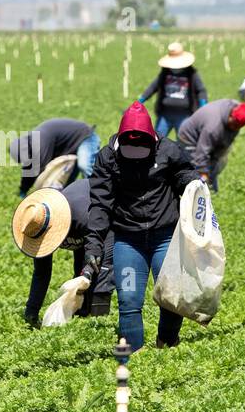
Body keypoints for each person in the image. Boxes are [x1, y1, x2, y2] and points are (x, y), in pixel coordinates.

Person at [82, 103, 203, 351]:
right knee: (128, 301)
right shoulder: (107, 158)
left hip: (165, 237)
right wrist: (93, 245)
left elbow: (184, 174)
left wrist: (190, 184)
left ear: (152, 141)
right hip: (128, 240)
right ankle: (134, 356)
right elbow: (100, 204)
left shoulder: (169, 150)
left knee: (170, 297)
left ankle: (166, 343)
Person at [12, 177, 114, 327]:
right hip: (82, 227)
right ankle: (81, 314)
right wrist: (31, 311)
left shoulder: (82, 216)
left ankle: (99, 322)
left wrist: (87, 272)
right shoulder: (38, 228)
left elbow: (101, 243)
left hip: (108, 216)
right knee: (80, 277)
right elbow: (42, 273)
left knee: (100, 276)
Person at [176, 99, 245, 192]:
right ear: (231, 115)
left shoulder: (236, 107)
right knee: (194, 171)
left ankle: (212, 193)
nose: (235, 128)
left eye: (239, 127)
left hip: (208, 138)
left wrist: (213, 163)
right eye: (235, 125)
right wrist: (203, 173)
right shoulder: (213, 127)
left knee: (213, 167)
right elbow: (202, 153)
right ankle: (191, 193)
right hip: (189, 138)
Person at [10, 118, 99, 195]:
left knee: (85, 165)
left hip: (85, 137)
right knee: (66, 187)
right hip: (70, 147)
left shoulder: (40, 142)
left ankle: (100, 192)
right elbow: (29, 168)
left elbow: (43, 170)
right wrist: (23, 190)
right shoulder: (29, 145)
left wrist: (43, 192)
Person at [137, 42, 208, 139]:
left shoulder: (191, 74)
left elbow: (201, 90)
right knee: (156, 140)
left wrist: (203, 107)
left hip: (184, 115)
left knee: (184, 143)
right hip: (165, 115)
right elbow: (153, 87)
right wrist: (140, 101)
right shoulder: (165, 72)